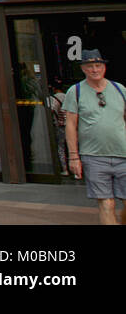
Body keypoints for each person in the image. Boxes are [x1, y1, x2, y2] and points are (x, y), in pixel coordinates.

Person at [64, 49, 126, 225]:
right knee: (106, 203)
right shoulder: (75, 91)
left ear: (104, 67)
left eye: (98, 65)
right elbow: (70, 125)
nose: (94, 69)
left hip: (123, 154)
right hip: (94, 157)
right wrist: (74, 156)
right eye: (89, 66)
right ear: (83, 68)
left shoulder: (119, 89)